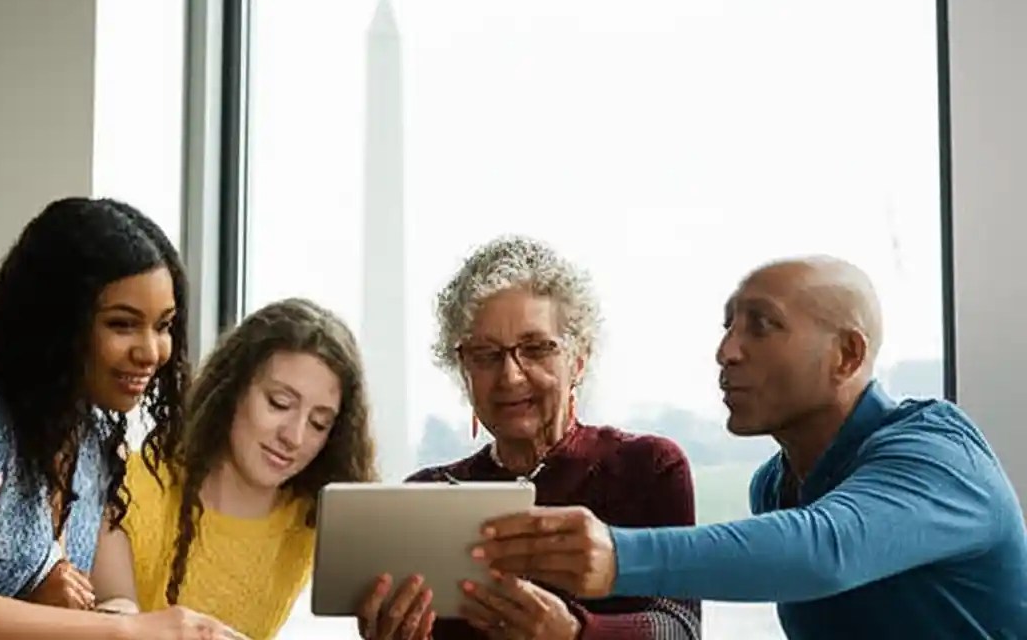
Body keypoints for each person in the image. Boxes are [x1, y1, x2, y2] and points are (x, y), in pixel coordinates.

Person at [472, 256, 1027, 639]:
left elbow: (825, 550)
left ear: (848, 356)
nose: (726, 350)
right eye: (728, 326)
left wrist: (617, 558)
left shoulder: (938, 454)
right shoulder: (775, 484)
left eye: (760, 326)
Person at [0, 198, 247, 639]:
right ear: (58, 323)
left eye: (163, 326)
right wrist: (123, 630)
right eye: (123, 325)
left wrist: (105, 619)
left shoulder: (92, 430)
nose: (151, 352)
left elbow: (111, 600)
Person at [358, 236, 701, 640]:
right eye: (485, 355)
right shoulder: (425, 495)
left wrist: (574, 633)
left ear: (578, 358)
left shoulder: (648, 467)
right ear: (463, 370)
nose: (511, 376)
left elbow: (681, 629)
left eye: (536, 348)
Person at [109, 297, 378, 640]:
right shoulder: (129, 487)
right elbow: (114, 622)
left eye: (319, 423)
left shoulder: (312, 517)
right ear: (232, 388)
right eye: (279, 403)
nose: (294, 437)